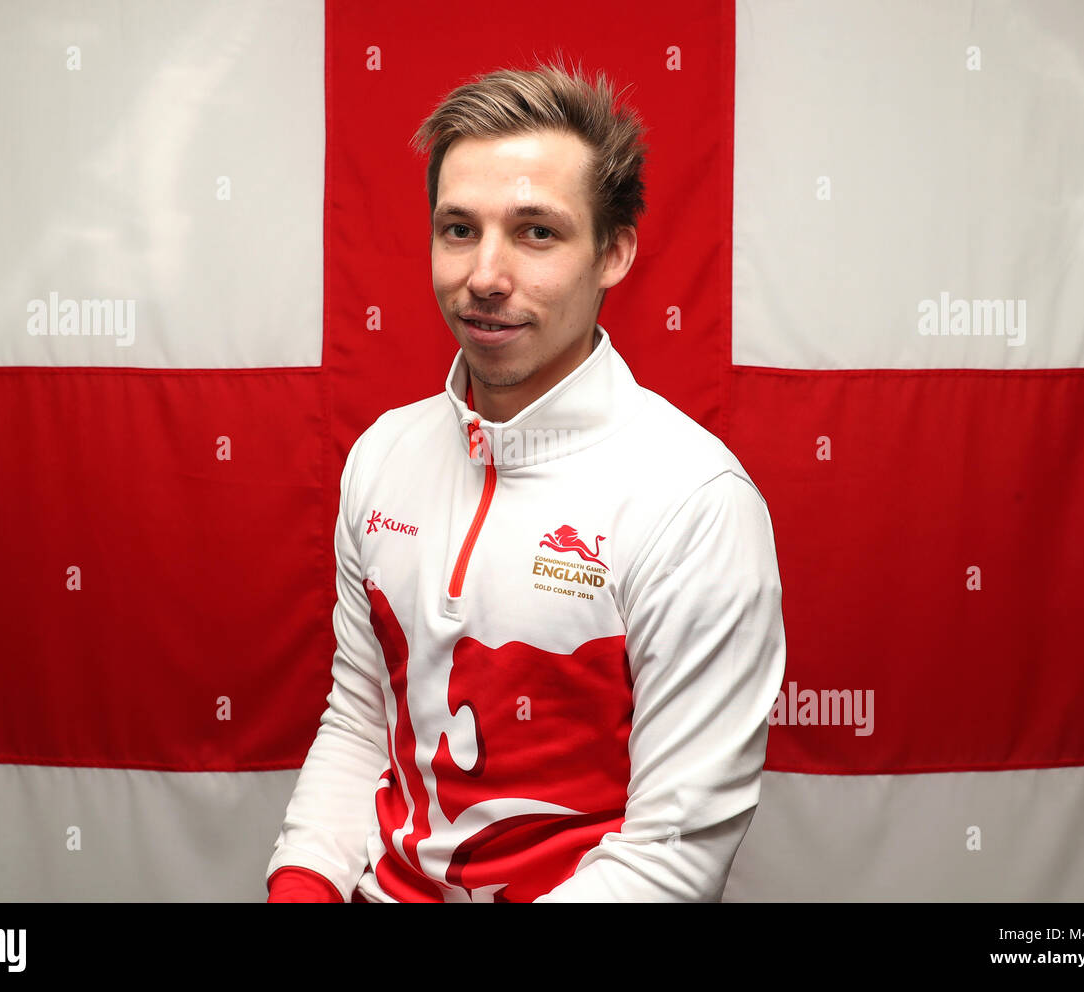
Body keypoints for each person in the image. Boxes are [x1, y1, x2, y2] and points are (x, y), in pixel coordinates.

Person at [266, 58, 786, 902]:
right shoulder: (382, 456)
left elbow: (672, 857)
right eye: (459, 229)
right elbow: (363, 725)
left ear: (613, 252)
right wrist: (302, 885)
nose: (485, 276)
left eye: (536, 231)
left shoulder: (696, 502)